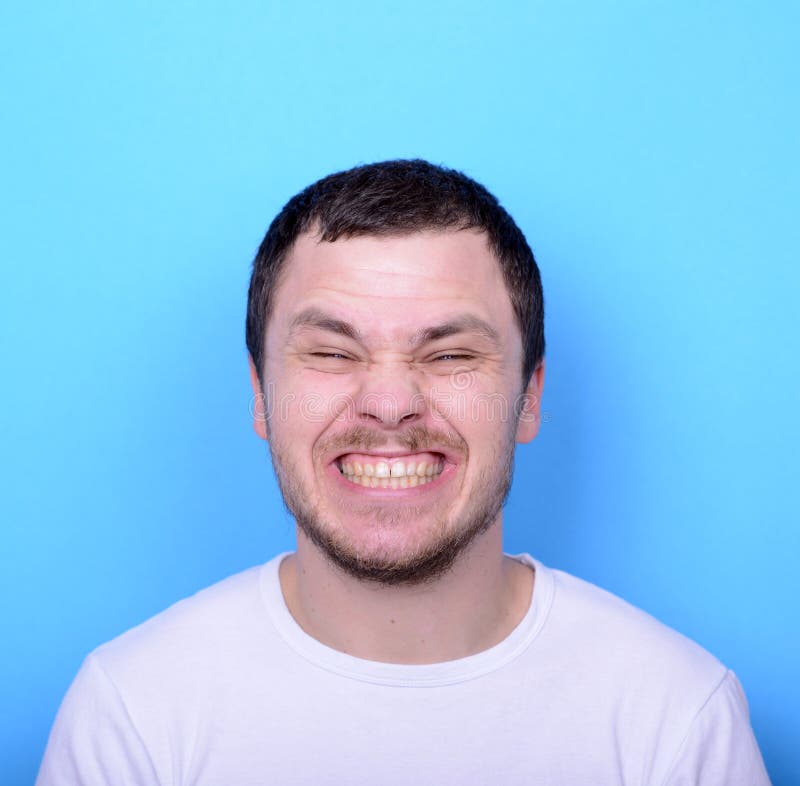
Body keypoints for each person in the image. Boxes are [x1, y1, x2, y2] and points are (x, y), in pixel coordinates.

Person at [37, 159, 770, 785]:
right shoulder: (131, 716)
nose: (389, 404)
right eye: (331, 353)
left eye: (450, 355)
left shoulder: (676, 720)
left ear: (530, 398)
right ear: (261, 395)